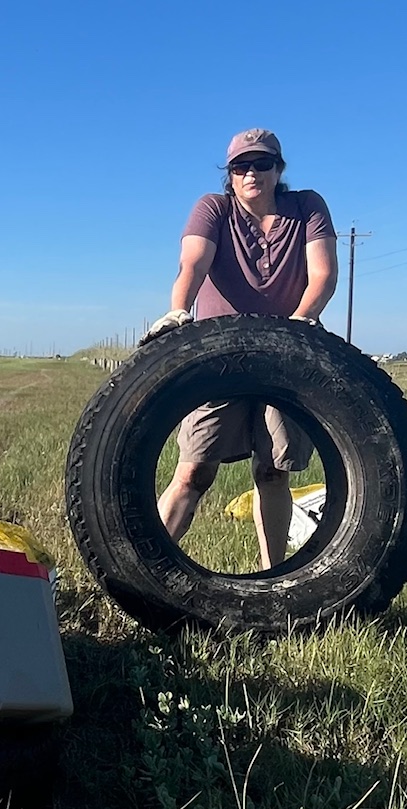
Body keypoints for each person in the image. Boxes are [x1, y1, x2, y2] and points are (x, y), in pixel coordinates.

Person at [141, 128, 338, 568]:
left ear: (278, 169)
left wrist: (302, 321)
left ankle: (274, 577)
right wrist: (178, 310)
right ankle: (146, 568)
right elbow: (192, 263)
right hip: (218, 359)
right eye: (240, 166)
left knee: (273, 472)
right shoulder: (213, 208)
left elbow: (323, 274)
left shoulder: (307, 207)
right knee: (193, 470)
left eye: (261, 163)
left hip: (286, 355)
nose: (251, 173)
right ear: (229, 174)